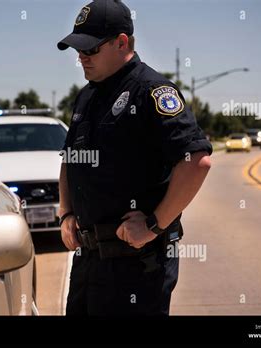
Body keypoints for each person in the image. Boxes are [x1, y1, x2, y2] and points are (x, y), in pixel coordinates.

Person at [57, 0, 212, 316]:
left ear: (121, 42)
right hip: (88, 262)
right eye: (78, 49)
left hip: (137, 265)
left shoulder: (151, 90)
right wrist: (66, 212)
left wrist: (154, 225)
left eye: (90, 49)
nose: (81, 57)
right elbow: (70, 158)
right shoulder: (86, 97)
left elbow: (196, 161)